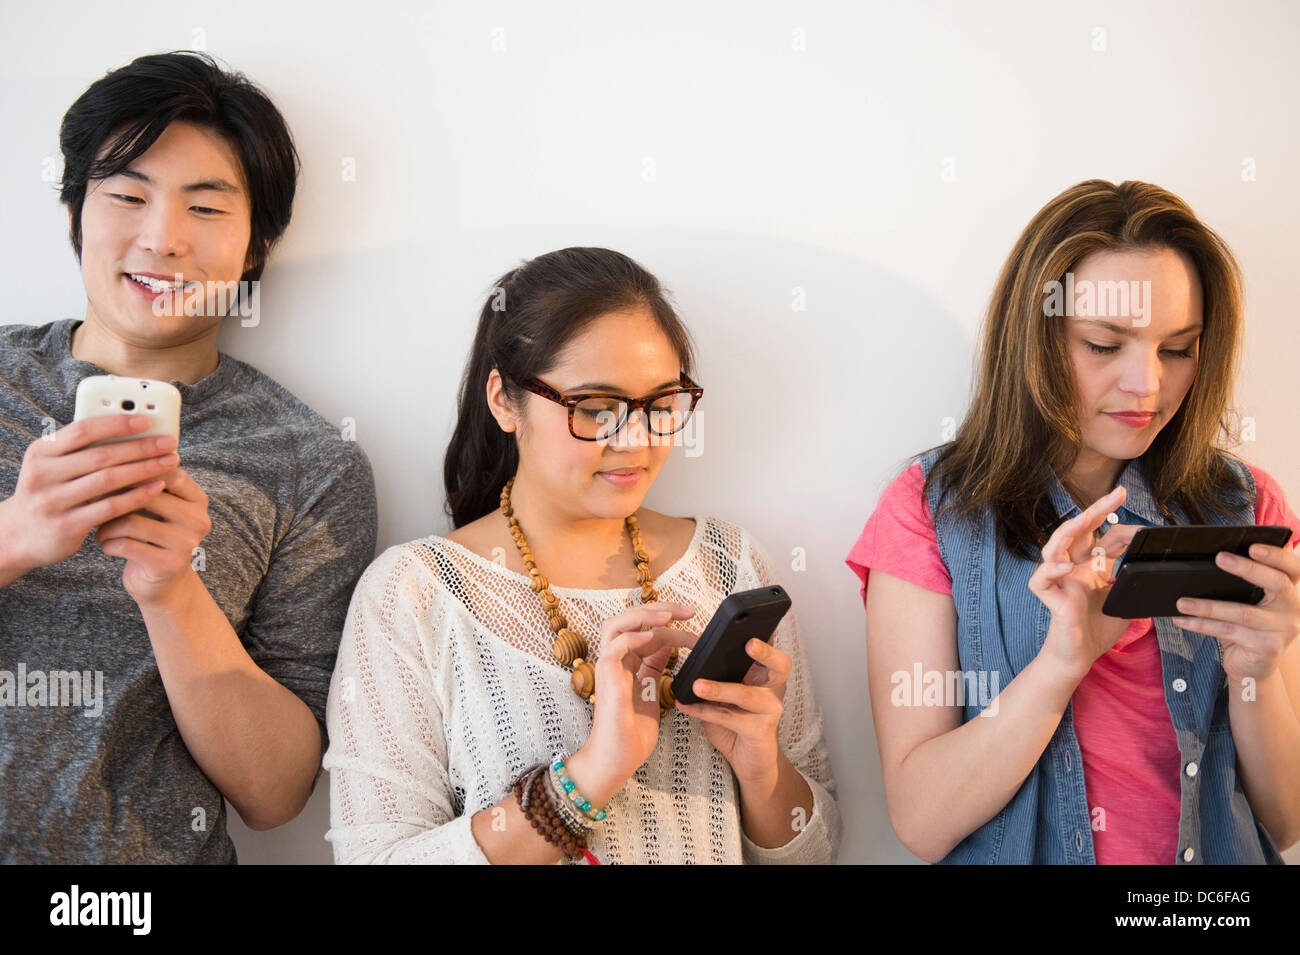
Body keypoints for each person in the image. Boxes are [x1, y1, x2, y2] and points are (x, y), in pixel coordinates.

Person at [324, 246, 839, 863]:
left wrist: (763, 772)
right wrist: (588, 777)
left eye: (660, 405)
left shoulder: (732, 563)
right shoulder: (413, 594)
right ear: (502, 401)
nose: (636, 440)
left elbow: (820, 849)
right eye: (596, 409)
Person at [846, 179, 1300, 864]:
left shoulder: (1244, 505)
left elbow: (1287, 820)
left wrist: (1258, 675)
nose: (1147, 383)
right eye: (1103, 343)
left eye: (1178, 348)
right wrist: (1061, 664)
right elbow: (920, 818)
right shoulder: (930, 512)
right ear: (1035, 339)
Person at [0, 51, 378, 862]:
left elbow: (276, 793)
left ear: (256, 246)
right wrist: (15, 536)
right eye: (128, 196)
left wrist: (175, 595)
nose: (162, 238)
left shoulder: (312, 464)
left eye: (206, 208)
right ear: (74, 215)